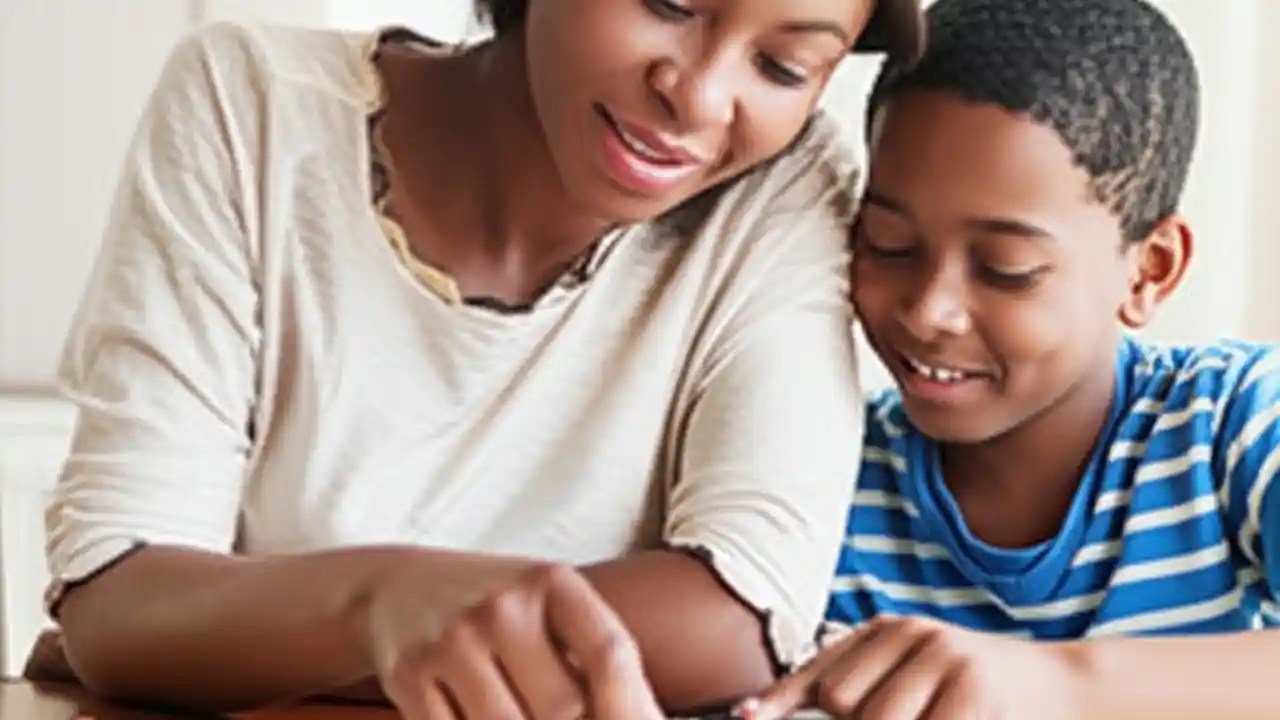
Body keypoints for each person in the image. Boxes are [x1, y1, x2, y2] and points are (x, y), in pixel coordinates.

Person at [43, 0, 925, 717]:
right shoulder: (250, 103)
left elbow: (742, 622)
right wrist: (386, 605)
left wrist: (243, 639)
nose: (696, 99)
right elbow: (122, 600)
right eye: (668, 4)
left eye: (780, 68)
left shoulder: (781, 191)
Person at [740, 0, 1280, 718]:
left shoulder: (1230, 421)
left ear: (1149, 271)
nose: (930, 310)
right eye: (889, 245)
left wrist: (1048, 686)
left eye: (1006, 268)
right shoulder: (822, 480)